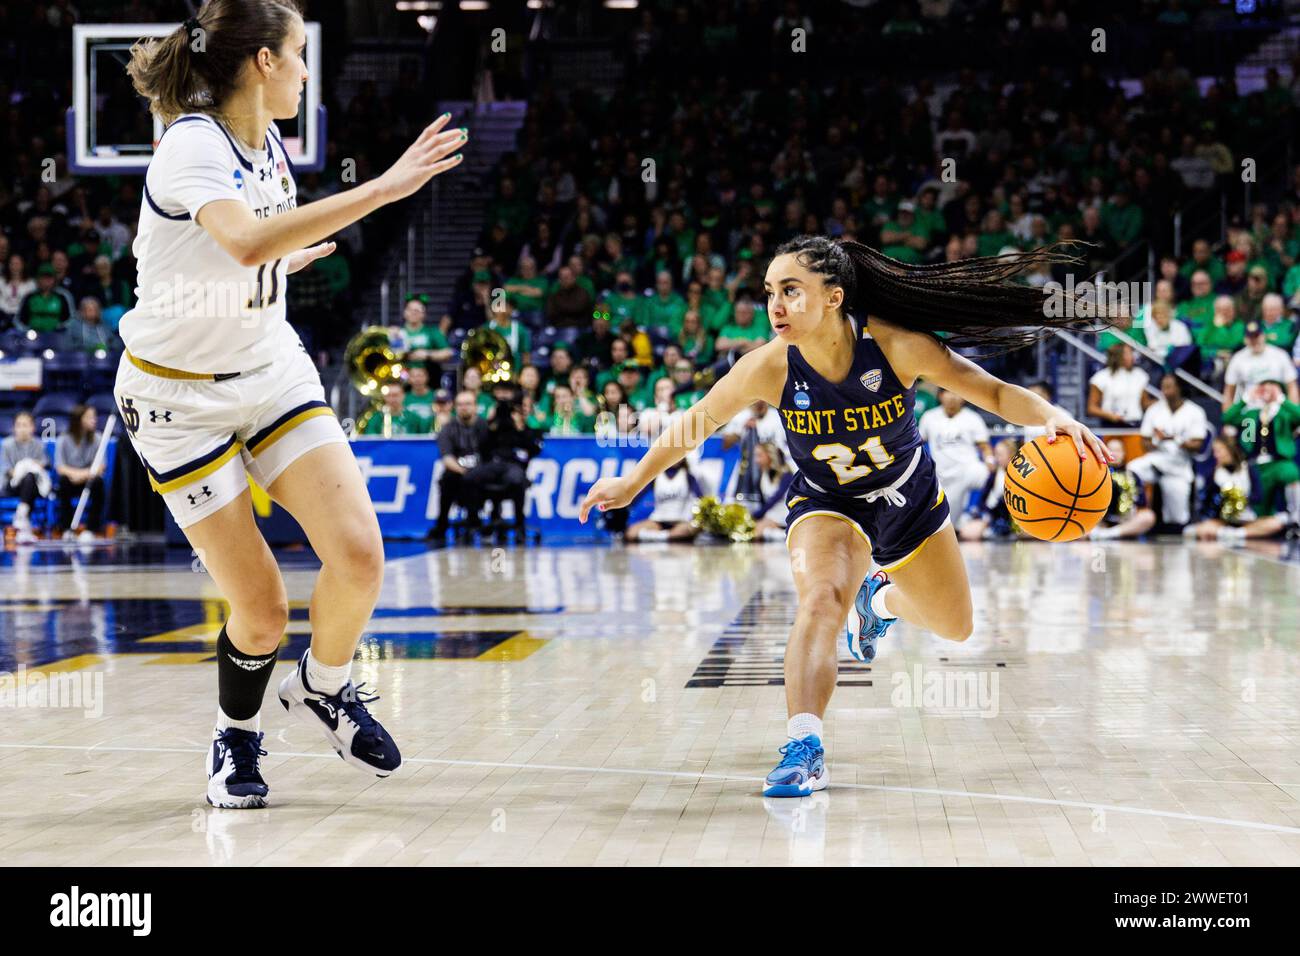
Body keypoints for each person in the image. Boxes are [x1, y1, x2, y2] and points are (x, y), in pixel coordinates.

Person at [579, 235, 1110, 798]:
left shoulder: (898, 346)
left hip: (907, 495)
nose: (775, 306)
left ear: (833, 298)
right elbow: (698, 420)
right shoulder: (768, 367)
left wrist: (1054, 416)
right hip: (826, 502)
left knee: (956, 625)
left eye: (790, 291)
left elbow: (996, 395)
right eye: (769, 293)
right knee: (819, 599)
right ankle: (804, 746)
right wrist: (632, 480)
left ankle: (877, 601)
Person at [117, 0, 467, 809]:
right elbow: (241, 241)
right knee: (263, 610)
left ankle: (327, 685)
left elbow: (242, 252)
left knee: (360, 555)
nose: (308, 72)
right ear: (263, 63)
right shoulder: (191, 145)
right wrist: (384, 188)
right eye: (299, 55)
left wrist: (284, 259)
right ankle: (235, 738)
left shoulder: (265, 142)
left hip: (267, 365)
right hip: (178, 398)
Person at [1098, 373, 1207, 536]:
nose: (1165, 390)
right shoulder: (1155, 409)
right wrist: (1157, 440)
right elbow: (1145, 442)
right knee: (1132, 469)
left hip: (1179, 464)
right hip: (1157, 458)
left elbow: (1198, 445)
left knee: (1177, 517)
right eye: (1163, 387)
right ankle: (1127, 513)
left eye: (1169, 386)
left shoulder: (1195, 411)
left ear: (1179, 388)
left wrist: (1174, 438)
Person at [918, 388, 994, 530]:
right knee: (948, 523)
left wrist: (990, 461)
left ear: (964, 397)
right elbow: (917, 443)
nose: (952, 396)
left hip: (967, 470)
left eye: (956, 392)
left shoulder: (973, 418)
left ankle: (982, 514)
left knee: (985, 474)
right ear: (940, 396)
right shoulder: (929, 417)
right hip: (940, 474)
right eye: (947, 392)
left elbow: (984, 446)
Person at [430, 390, 488, 541]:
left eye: (468, 404)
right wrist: (464, 471)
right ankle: (441, 524)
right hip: (458, 473)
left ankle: (479, 521)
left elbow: (492, 455)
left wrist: (478, 472)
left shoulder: (485, 427)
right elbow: (447, 458)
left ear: (475, 406)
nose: (464, 407)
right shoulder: (448, 429)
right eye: (460, 404)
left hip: (482, 473)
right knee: (447, 479)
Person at [55, 404, 108, 540]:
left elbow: (101, 466)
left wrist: (83, 475)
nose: (94, 420)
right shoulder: (63, 439)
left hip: (89, 480)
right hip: (70, 480)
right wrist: (77, 475)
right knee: (62, 483)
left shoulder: (98, 438)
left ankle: (90, 529)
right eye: (90, 417)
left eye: (94, 417)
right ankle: (67, 528)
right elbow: (60, 467)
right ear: (79, 420)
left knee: (99, 483)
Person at [1222, 320, 1299, 409]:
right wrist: (1227, 419)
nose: (1254, 341)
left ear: (1263, 335)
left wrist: (1294, 414)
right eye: (1251, 337)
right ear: (1245, 339)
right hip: (1249, 411)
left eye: (1257, 336)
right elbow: (1229, 392)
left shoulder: (1280, 355)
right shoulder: (1237, 359)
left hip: (1277, 410)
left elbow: (1292, 386)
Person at [625, 460, 703, 543]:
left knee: (690, 529)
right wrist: (623, 505)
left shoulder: (688, 476)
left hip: (680, 522)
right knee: (631, 533)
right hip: (658, 521)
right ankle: (668, 537)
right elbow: (637, 496)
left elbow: (701, 499)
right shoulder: (655, 476)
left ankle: (657, 537)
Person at [2, 411, 50, 544]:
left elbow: (43, 465)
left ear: (32, 427)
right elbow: (7, 470)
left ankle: (22, 519)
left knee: (30, 478)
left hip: (32, 485)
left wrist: (30, 466)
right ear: (14, 428)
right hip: (12, 485)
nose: (22, 429)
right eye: (19, 425)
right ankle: (23, 521)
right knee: (27, 477)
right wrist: (22, 469)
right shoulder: (6, 445)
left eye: (26, 425)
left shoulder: (39, 445)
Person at [1087, 342, 1150, 426]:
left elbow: (1144, 403)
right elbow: (1091, 408)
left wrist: (1161, 402)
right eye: (1129, 353)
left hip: (1135, 425)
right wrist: (1110, 415)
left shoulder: (1140, 375)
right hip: (1111, 425)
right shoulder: (1101, 377)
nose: (1133, 357)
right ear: (1118, 356)